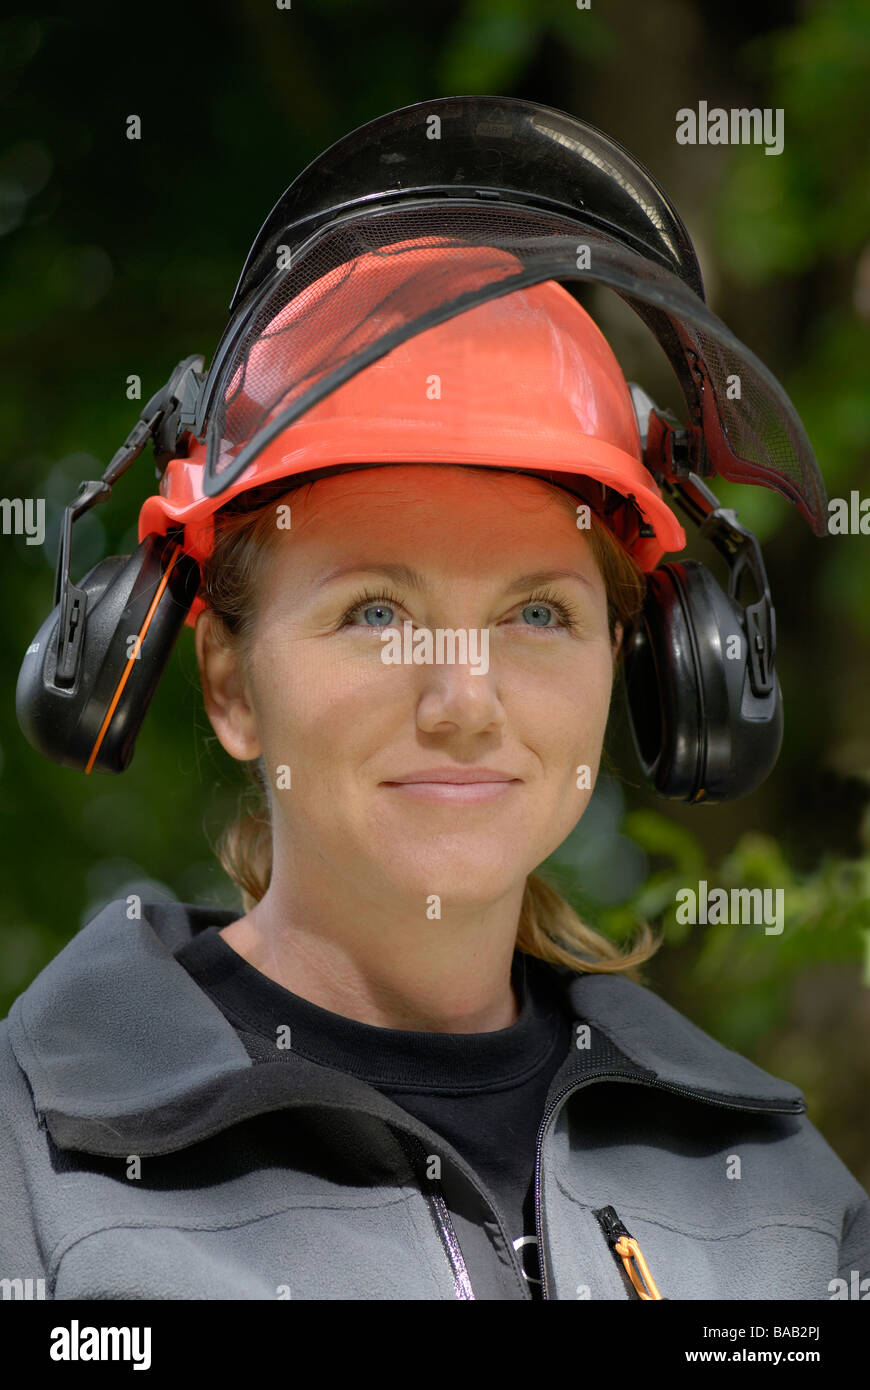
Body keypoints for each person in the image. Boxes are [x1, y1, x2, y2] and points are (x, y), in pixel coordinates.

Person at [2, 97, 868, 1301]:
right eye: (375, 612)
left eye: (537, 614)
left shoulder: (783, 1198)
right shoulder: (29, 1177)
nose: (464, 701)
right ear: (226, 684)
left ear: (658, 666)